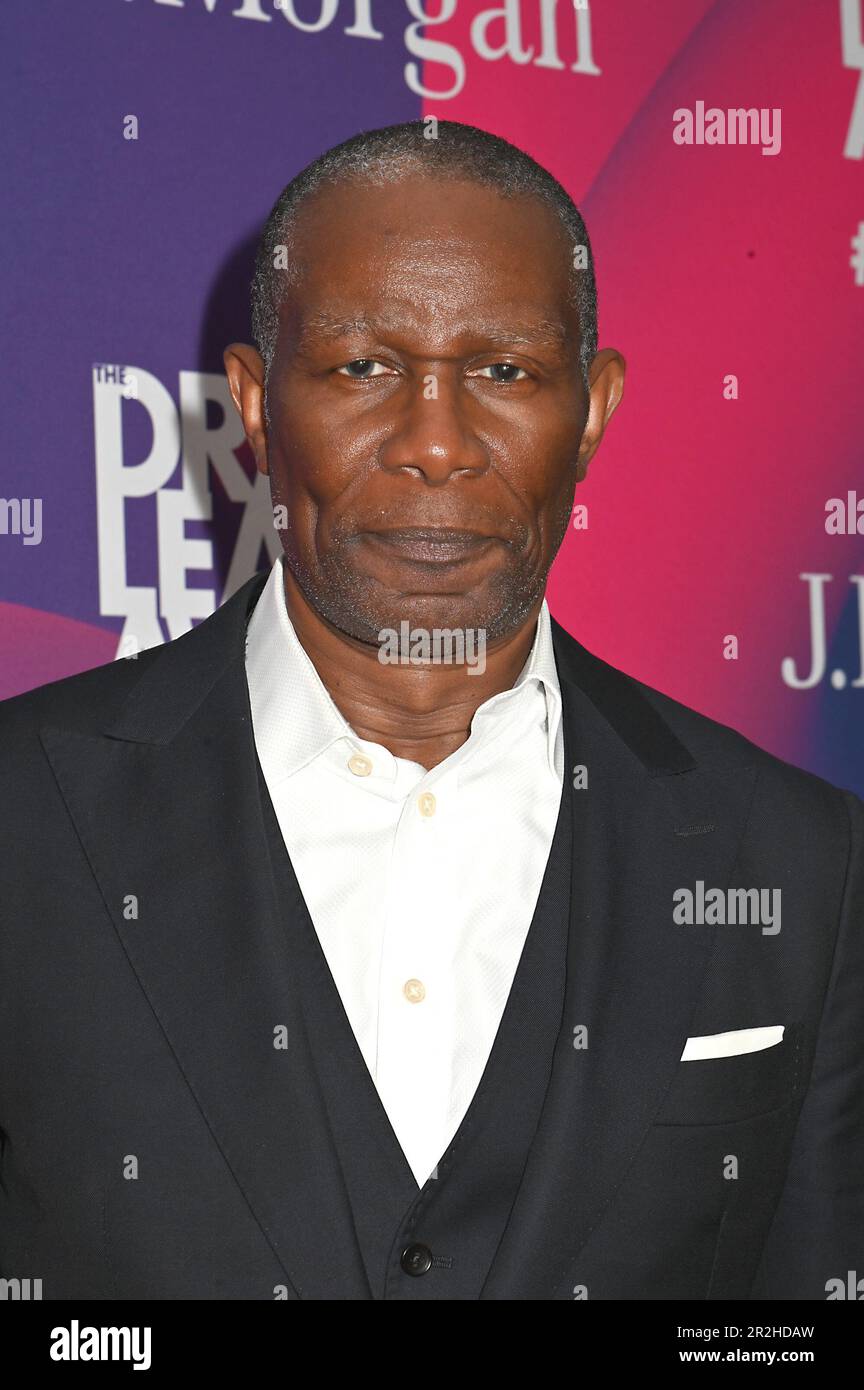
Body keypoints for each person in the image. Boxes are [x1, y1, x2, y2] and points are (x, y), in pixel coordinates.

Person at [0, 120, 861, 1301]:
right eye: (364, 367)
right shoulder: (22, 818)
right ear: (254, 404)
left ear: (595, 413)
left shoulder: (799, 862)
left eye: (504, 371)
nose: (438, 443)